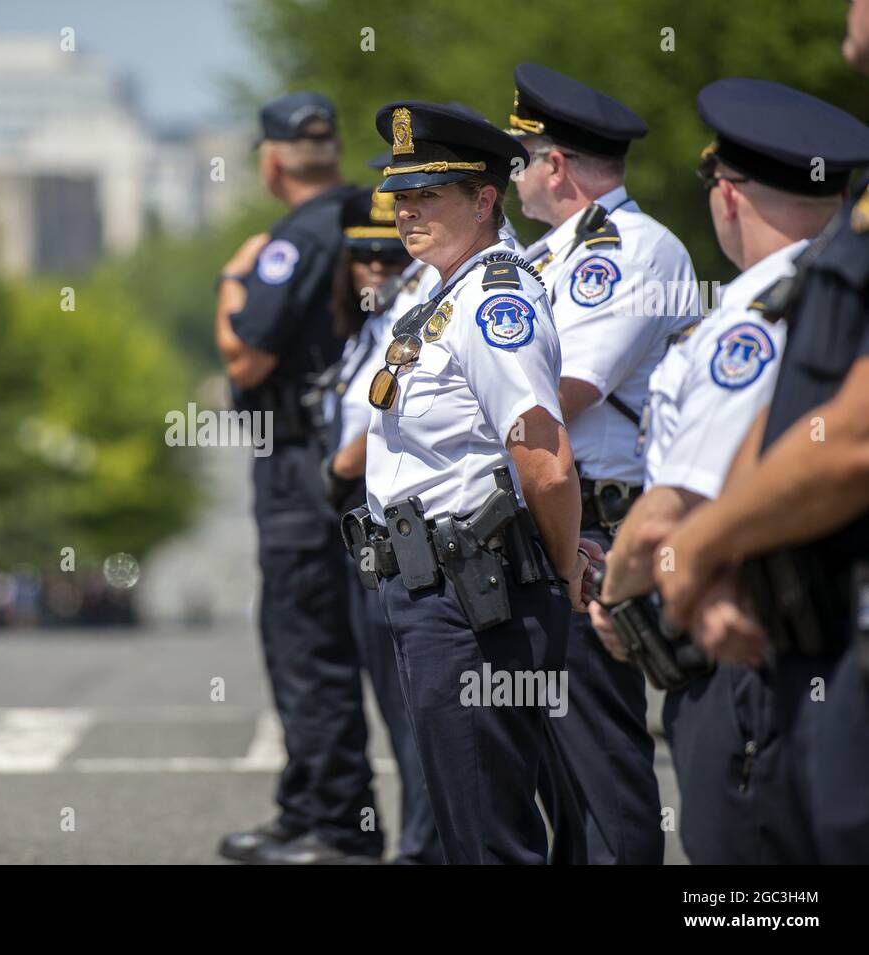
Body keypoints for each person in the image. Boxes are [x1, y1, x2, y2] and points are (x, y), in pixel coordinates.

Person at [590, 78, 869, 862]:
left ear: (729, 194)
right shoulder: (839, 295)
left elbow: (677, 505)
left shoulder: (750, 323)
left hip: (743, 650)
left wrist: (617, 594)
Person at [348, 100, 599, 863]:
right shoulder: (442, 293)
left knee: (490, 837)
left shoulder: (494, 300)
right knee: (469, 828)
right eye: (402, 194)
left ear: (485, 198)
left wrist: (559, 570)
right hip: (434, 593)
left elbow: (544, 458)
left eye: (429, 194)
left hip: (477, 598)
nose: (406, 209)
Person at [506, 63, 699, 864]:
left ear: (556, 165)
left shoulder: (622, 251)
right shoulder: (554, 254)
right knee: (559, 772)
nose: (511, 176)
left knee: (600, 761)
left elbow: (563, 391)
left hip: (599, 521)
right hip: (552, 514)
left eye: (520, 158)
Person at [214, 92, 382, 864]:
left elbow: (246, 355)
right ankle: (307, 807)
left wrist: (232, 279)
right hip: (346, 453)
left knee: (304, 642)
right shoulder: (362, 213)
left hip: (298, 463)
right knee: (325, 639)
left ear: (273, 161)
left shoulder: (292, 238)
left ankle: (336, 825)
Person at [321, 185, 444, 864]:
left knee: (416, 710)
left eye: (384, 255)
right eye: (361, 257)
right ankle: (421, 843)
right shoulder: (372, 322)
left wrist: (339, 466)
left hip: (401, 526)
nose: (373, 268)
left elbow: (384, 418)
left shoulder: (415, 308)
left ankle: (423, 849)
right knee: (397, 715)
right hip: (367, 528)